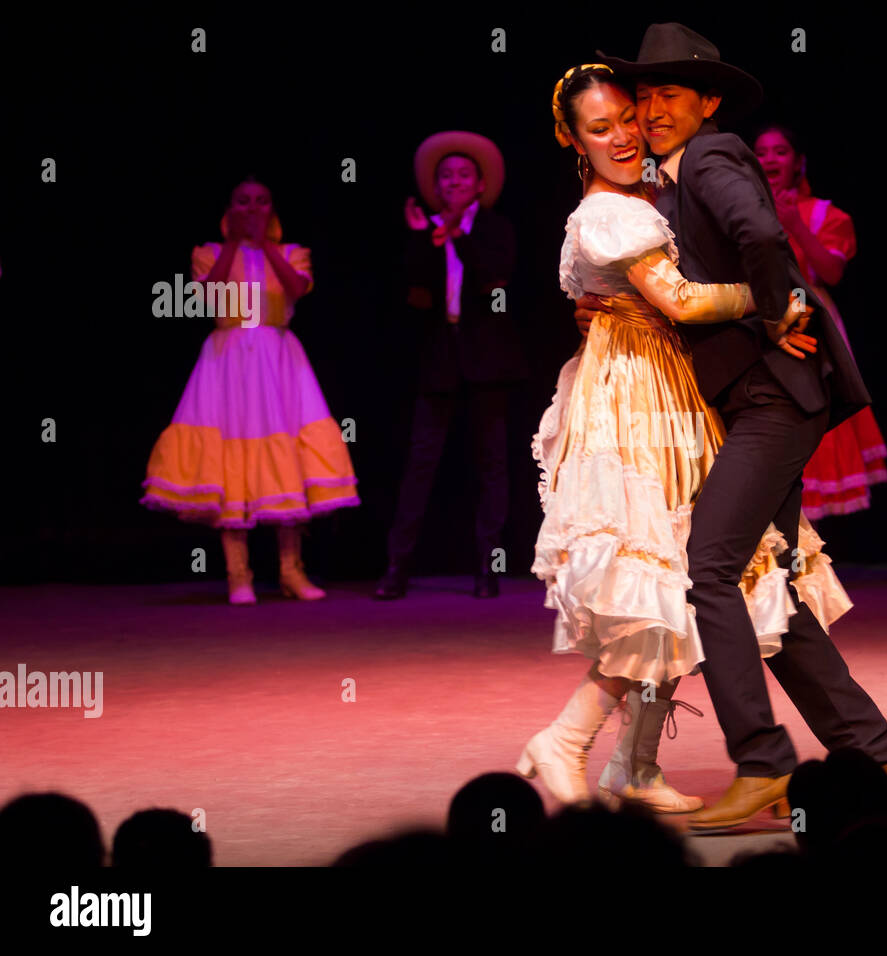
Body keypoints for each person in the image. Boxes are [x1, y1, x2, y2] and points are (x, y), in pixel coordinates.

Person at [582, 24, 887, 830]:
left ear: (709, 103)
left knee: (710, 567)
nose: (653, 110)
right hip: (762, 398)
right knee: (771, 584)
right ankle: (873, 752)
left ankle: (763, 763)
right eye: (645, 95)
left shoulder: (714, 154)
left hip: (773, 396)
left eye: (671, 95)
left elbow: (762, 239)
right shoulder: (674, 174)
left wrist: (772, 313)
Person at [519, 63, 848, 814]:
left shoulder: (648, 195)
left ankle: (632, 764)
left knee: (678, 577)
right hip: (637, 397)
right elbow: (683, 299)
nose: (622, 135)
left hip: (666, 383)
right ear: (573, 138)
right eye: (599, 128)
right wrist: (774, 305)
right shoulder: (612, 211)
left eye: (626, 117)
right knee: (661, 575)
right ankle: (567, 740)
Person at [141, 178, 358, 603]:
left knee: (289, 457)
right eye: (244, 202)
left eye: (261, 202)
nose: (253, 208)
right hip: (229, 360)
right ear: (230, 209)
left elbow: (296, 289)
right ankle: (237, 573)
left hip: (279, 359)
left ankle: (291, 571)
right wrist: (237, 245)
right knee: (229, 458)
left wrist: (266, 245)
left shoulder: (295, 253)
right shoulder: (208, 254)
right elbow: (209, 299)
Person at [375, 132, 527, 599]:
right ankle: (397, 567)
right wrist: (425, 238)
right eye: (446, 176)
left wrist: (457, 235)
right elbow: (412, 289)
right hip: (439, 356)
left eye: (463, 175)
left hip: (488, 357)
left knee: (491, 465)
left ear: (479, 185)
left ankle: (487, 567)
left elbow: (493, 278)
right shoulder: (426, 228)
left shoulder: (496, 227)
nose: (454, 182)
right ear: (436, 186)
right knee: (420, 463)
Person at [755, 123, 887, 519]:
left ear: (799, 162)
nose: (770, 159)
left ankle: (810, 551)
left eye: (780, 151)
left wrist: (794, 222)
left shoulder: (826, 214)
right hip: (759, 318)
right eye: (762, 152)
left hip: (810, 319)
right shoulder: (742, 213)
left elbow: (831, 272)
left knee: (810, 417)